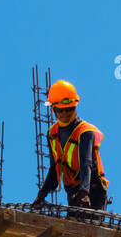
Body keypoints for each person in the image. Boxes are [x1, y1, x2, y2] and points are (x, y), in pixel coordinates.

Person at [32, 80, 110, 211]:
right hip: (74, 193)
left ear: (75, 107)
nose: (64, 114)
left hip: (93, 191)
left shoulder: (85, 131)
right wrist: (42, 193)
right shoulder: (53, 133)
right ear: (53, 109)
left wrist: (84, 193)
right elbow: (54, 171)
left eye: (69, 109)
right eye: (60, 110)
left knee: (91, 227)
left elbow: (86, 163)